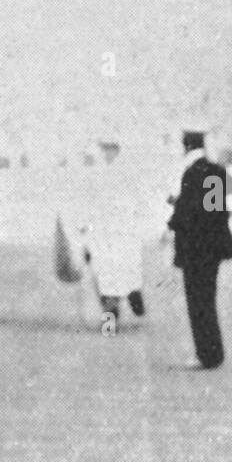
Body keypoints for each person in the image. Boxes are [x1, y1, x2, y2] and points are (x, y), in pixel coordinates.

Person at [168, 130, 232, 369]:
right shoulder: (217, 170)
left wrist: (173, 213)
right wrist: (229, 221)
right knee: (209, 298)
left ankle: (206, 354)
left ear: (186, 147)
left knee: (197, 302)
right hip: (215, 246)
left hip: (195, 248)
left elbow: (187, 213)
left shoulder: (190, 172)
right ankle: (214, 353)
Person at [81, 141, 146, 329]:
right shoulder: (96, 174)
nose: (107, 154)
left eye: (110, 150)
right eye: (105, 150)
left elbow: (135, 205)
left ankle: (132, 294)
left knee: (116, 274)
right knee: (106, 275)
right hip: (103, 233)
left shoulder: (124, 174)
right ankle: (120, 306)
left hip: (120, 232)